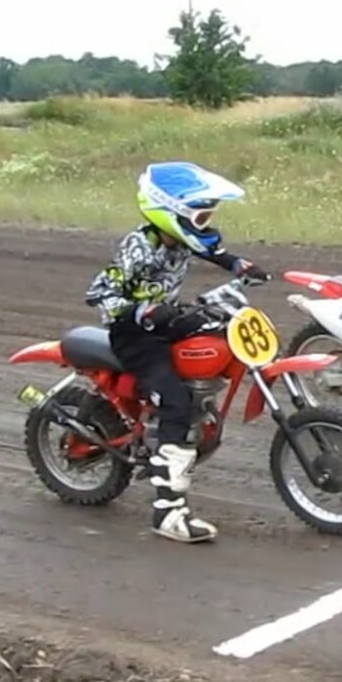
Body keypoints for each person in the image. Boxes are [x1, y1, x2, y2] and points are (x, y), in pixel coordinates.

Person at [84, 161, 270, 544]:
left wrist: (237, 263)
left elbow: (210, 249)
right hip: (133, 334)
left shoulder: (180, 238)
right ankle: (167, 511)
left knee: (216, 331)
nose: (205, 223)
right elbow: (101, 294)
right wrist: (142, 310)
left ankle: (200, 419)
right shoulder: (139, 247)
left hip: (165, 320)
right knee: (174, 400)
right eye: (200, 216)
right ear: (171, 214)